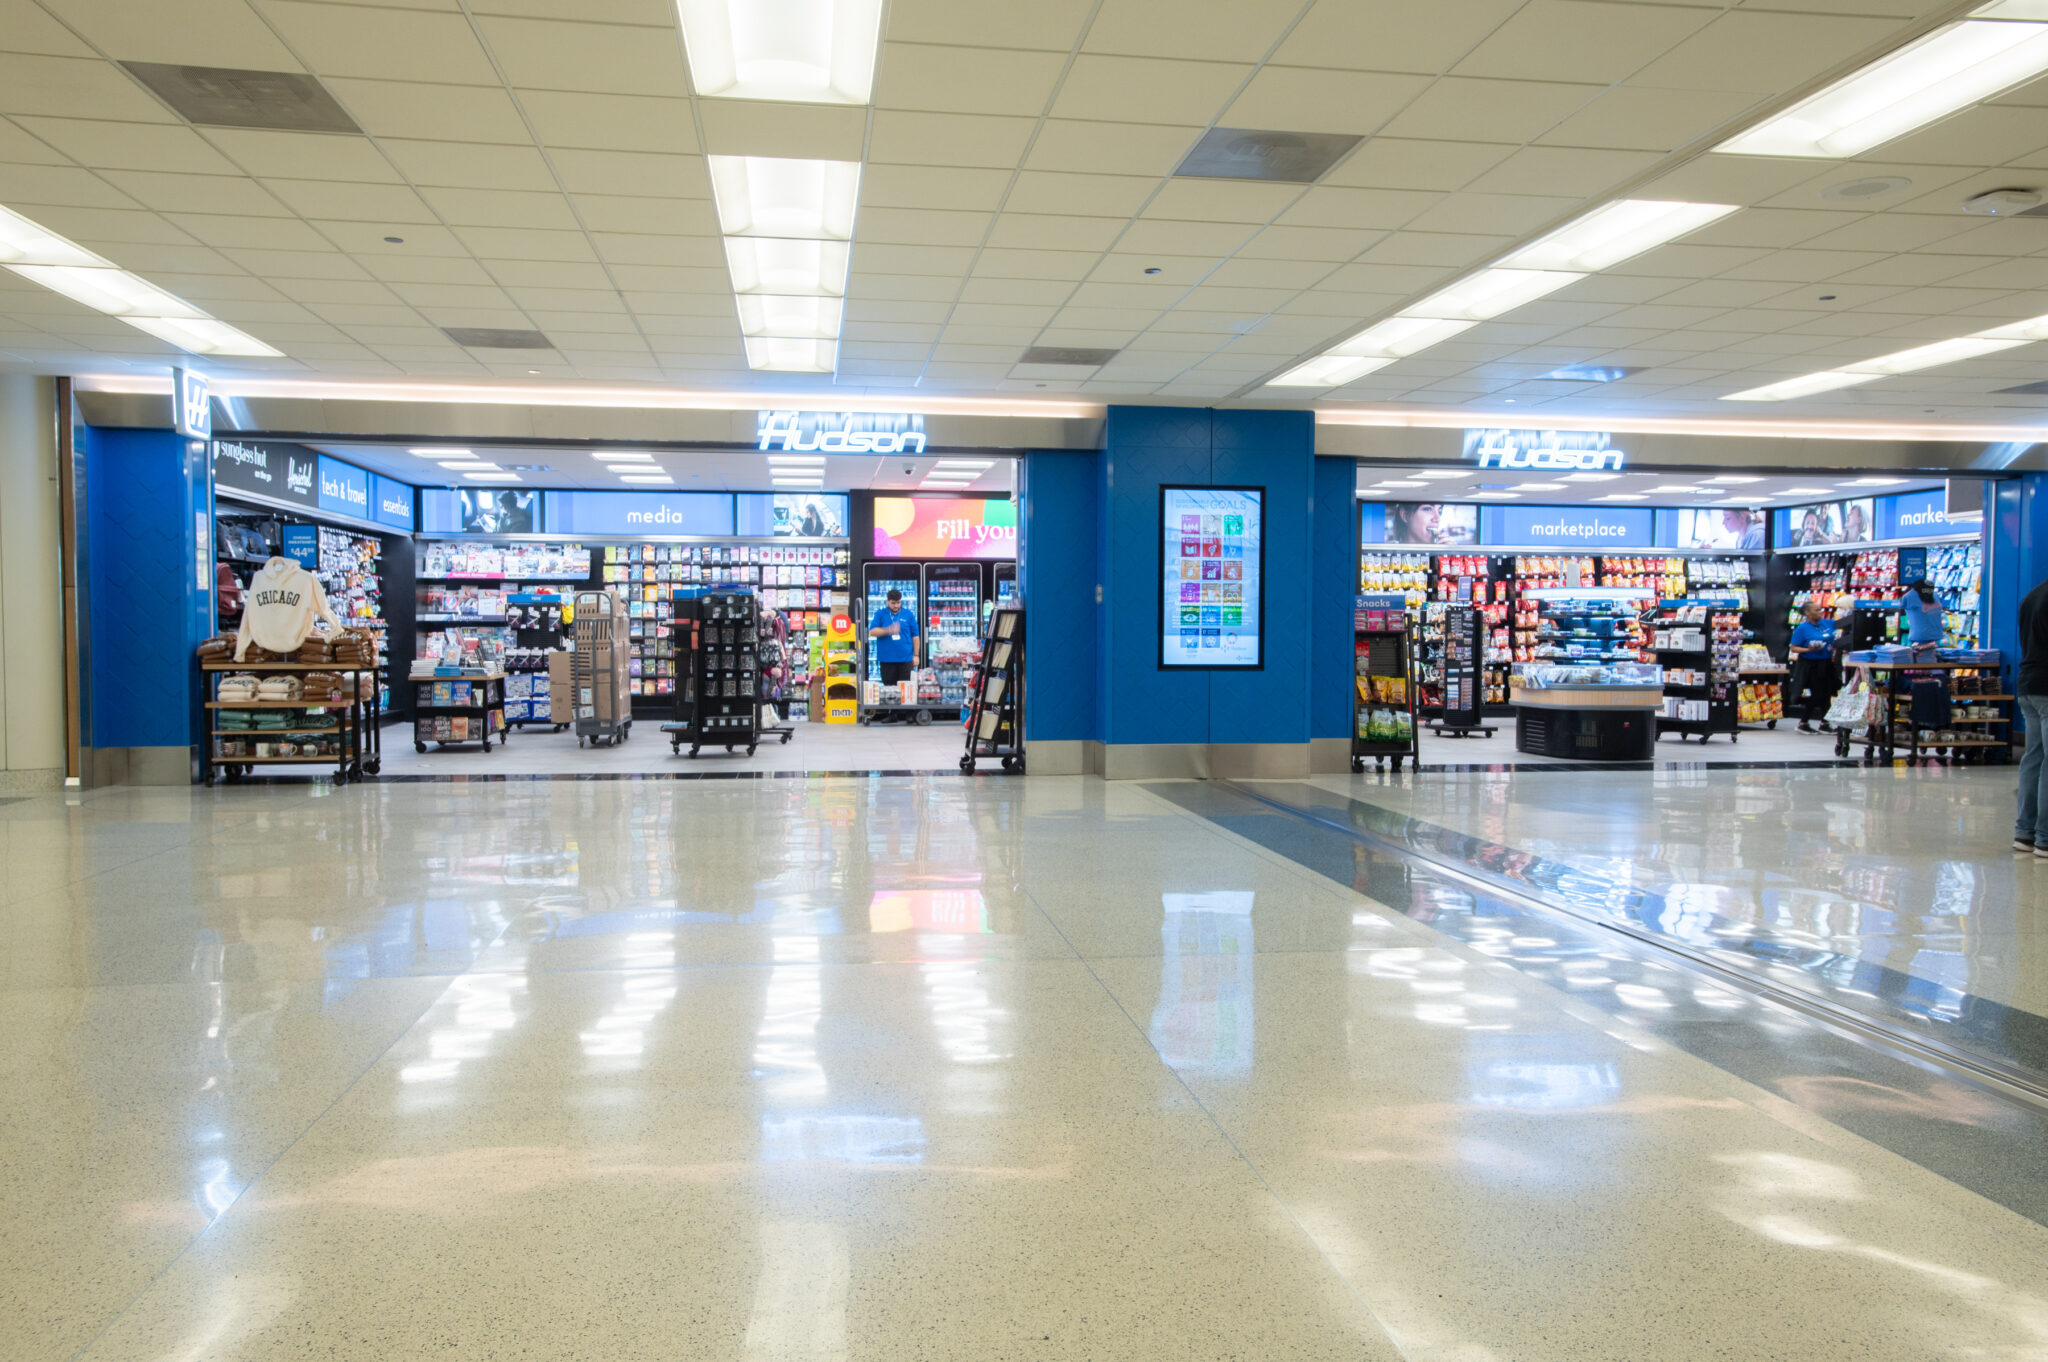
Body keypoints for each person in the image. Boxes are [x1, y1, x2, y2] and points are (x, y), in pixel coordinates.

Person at [2017, 575, 2048, 854]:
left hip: (2027, 684)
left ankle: (2024, 833)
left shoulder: (2031, 596)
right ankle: (2045, 838)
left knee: (2033, 758)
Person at [1787, 599, 1840, 733]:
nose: (1820, 612)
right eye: (1816, 610)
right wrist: (1808, 650)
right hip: (1810, 665)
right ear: (1807, 613)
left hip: (1826, 663)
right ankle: (1803, 722)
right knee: (1817, 694)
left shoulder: (1826, 623)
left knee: (1827, 693)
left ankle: (1824, 723)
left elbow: (1843, 623)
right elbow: (1793, 648)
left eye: (1820, 609)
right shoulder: (1802, 629)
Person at [867, 588, 919, 716]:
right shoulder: (880, 614)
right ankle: (892, 714)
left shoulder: (908, 615)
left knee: (906, 688)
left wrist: (916, 655)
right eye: (893, 603)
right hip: (886, 658)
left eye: (898, 603)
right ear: (887, 602)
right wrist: (889, 630)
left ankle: (908, 714)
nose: (896, 606)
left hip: (906, 658)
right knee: (889, 687)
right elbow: (872, 632)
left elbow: (916, 636)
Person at [1902, 579, 1944, 649]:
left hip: (1919, 635)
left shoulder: (1909, 596)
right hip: (1936, 635)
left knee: (1920, 656)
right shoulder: (1935, 595)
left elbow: (1902, 606)